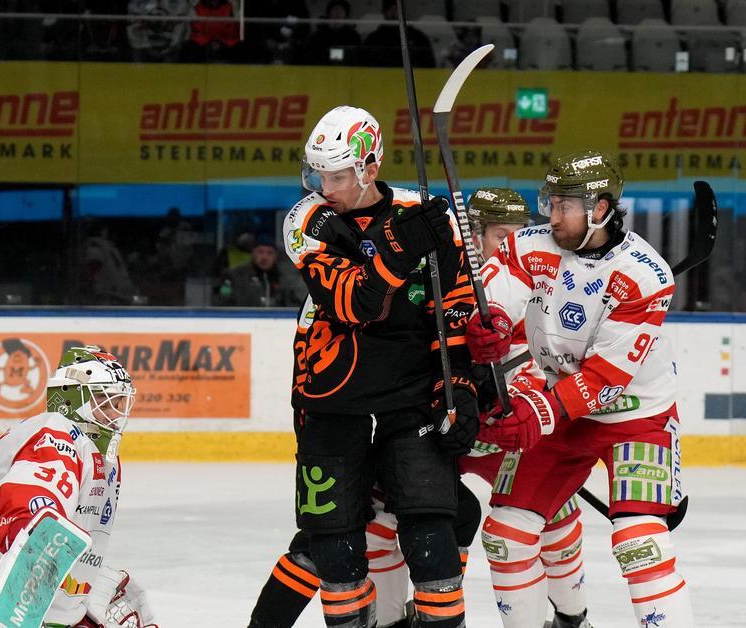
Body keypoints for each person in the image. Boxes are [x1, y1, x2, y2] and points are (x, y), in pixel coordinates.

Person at [253, 104, 476, 628]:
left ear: (370, 168)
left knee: (432, 534)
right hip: (331, 396)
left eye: (336, 175)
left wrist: (460, 385)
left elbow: (453, 304)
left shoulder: (421, 211)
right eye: (317, 174)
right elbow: (355, 302)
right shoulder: (306, 220)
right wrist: (400, 247)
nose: (323, 186)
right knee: (334, 545)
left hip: (408, 395)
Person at [466, 151, 694, 627]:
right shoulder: (528, 245)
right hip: (560, 406)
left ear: (601, 207)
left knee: (640, 542)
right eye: (550, 203)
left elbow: (604, 380)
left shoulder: (646, 277)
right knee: (506, 534)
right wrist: (485, 326)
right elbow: (496, 297)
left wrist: (536, 414)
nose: (551, 216)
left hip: (636, 419)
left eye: (564, 206)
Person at [0, 346, 154, 628]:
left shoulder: (103, 458)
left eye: (119, 402)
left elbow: (62, 540)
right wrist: (26, 564)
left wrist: (81, 589)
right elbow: (29, 504)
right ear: (71, 399)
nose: (115, 412)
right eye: (103, 400)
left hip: (8, 589)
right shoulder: (56, 432)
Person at [457, 188, 594, 628]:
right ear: (473, 235)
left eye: (521, 234)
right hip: (466, 427)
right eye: (501, 235)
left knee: (553, 513)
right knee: (441, 517)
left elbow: (561, 365)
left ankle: (573, 618)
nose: (514, 246)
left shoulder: (548, 277)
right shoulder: (452, 279)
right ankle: (432, 610)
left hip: (521, 421)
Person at [215, 237, 305, 307]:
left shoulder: (281, 279)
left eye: (270, 253)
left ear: (275, 256)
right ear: (252, 253)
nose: (265, 257)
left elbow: (294, 304)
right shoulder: (235, 275)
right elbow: (222, 303)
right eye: (260, 252)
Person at [358, 0, 435, 68]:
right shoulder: (373, 38)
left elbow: (428, 64)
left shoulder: (418, 37)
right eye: (390, 9)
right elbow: (364, 64)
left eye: (397, 9)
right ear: (384, 12)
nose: (394, 12)